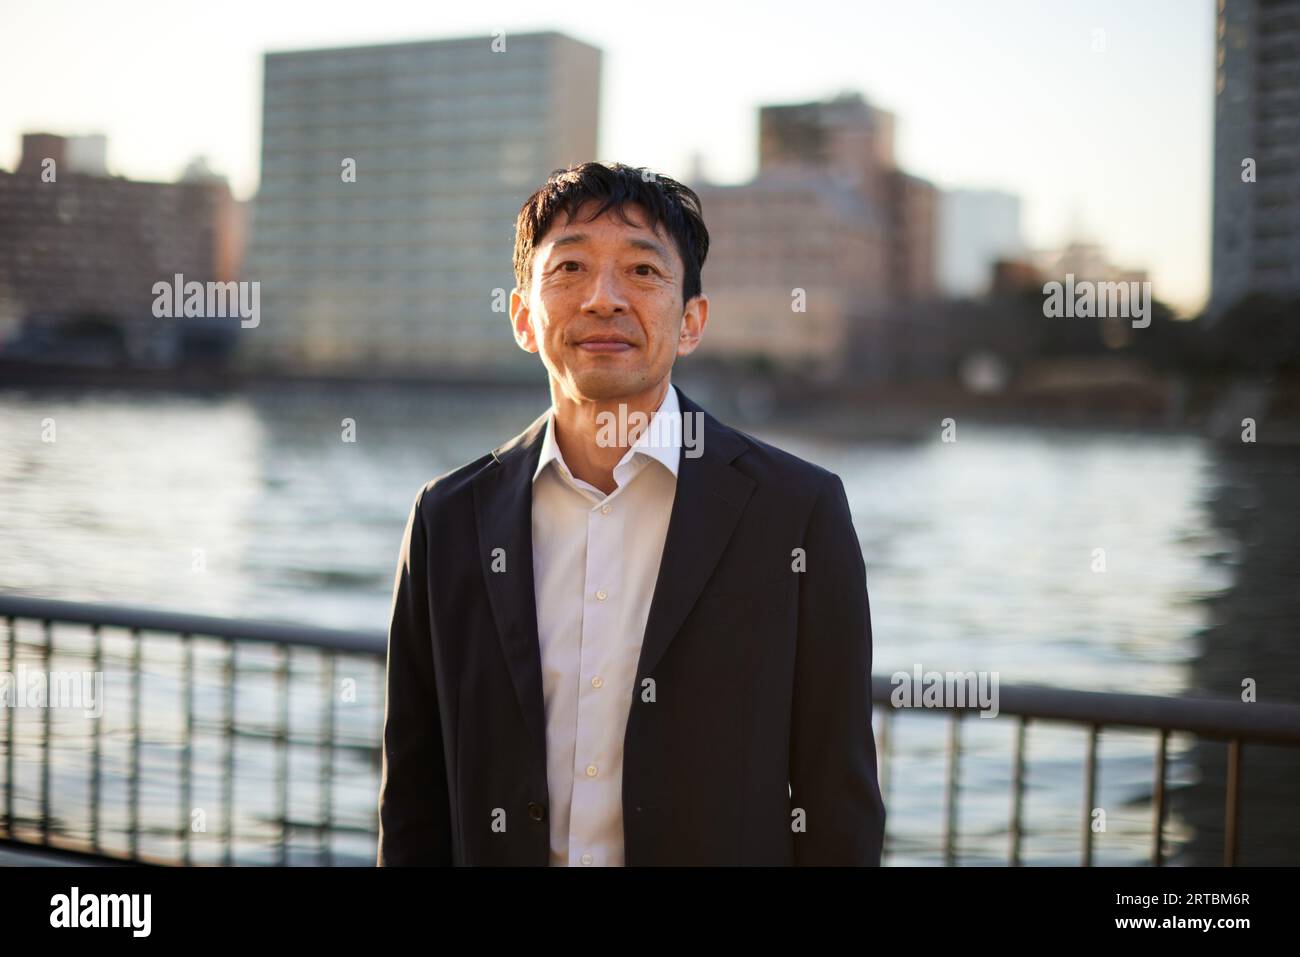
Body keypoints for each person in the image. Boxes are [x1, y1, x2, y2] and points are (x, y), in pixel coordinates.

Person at [376, 162, 885, 865]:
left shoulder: (796, 513)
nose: (604, 299)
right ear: (525, 316)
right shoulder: (448, 519)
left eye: (643, 272)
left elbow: (838, 803)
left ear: (691, 320)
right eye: (571, 268)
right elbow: (413, 799)